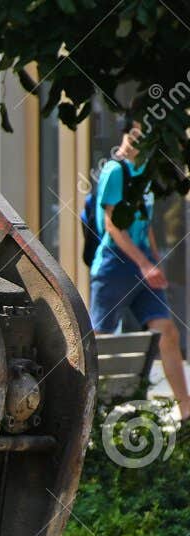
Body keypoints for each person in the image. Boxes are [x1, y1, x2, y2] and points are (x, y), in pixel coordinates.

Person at [89, 122, 190, 421]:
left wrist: (154, 259)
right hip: (113, 266)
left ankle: (186, 411)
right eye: (134, 133)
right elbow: (112, 225)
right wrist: (144, 265)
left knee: (167, 331)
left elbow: (144, 224)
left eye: (144, 134)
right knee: (101, 342)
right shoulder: (114, 172)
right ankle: (90, 413)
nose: (139, 139)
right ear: (125, 133)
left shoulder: (143, 172)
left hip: (143, 264)